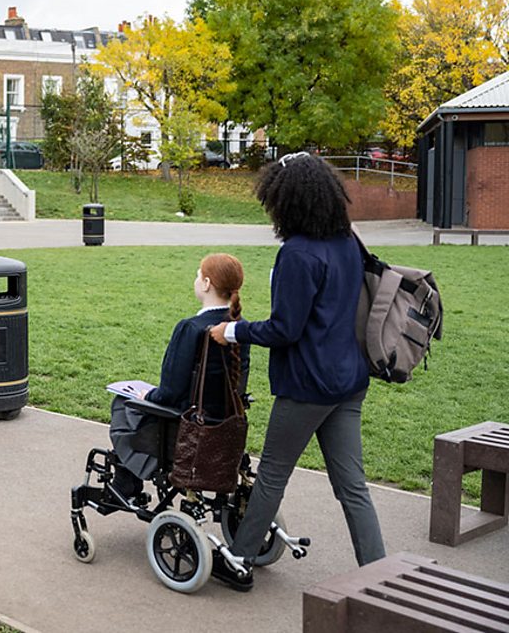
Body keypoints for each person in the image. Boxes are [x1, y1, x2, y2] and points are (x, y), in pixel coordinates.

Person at [208, 152, 385, 592]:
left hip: (308, 385)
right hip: (349, 380)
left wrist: (231, 331)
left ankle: (239, 559)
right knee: (353, 487)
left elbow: (285, 329)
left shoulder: (297, 254)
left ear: (286, 201)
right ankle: (381, 576)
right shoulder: (348, 242)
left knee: (272, 474)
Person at [109, 254, 250, 501]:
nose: (196, 280)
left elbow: (169, 392)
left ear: (206, 283)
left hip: (187, 424)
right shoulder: (239, 327)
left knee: (123, 403)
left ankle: (126, 480)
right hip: (224, 420)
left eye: (198, 275)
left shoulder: (191, 328)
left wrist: (147, 395)